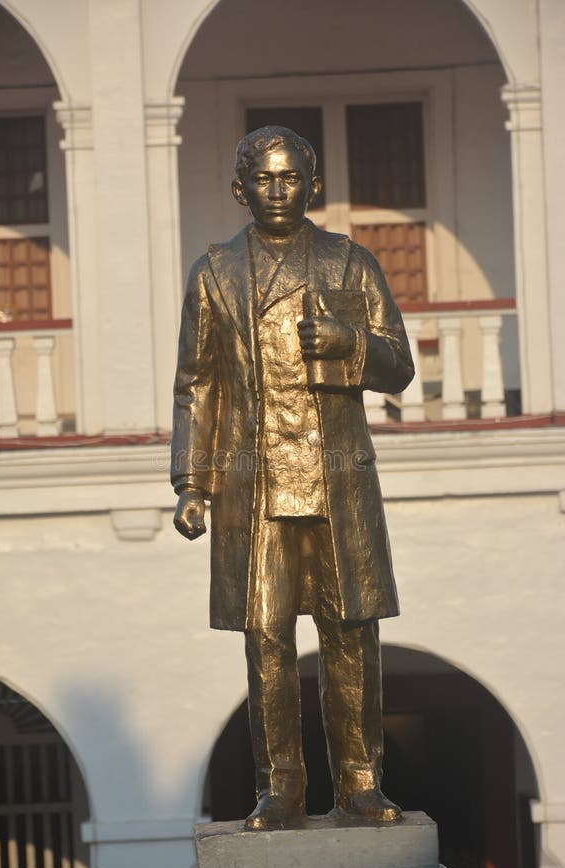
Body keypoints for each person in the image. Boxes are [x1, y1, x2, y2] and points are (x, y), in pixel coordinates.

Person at [171, 126, 414, 830]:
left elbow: (398, 365)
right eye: (264, 179)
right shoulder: (215, 272)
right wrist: (192, 483)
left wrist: (351, 344)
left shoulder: (348, 262)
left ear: (313, 186)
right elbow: (198, 385)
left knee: (350, 631)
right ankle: (280, 787)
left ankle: (362, 782)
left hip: (337, 478)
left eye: (290, 178)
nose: (278, 191)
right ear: (241, 188)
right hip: (255, 482)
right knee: (267, 637)